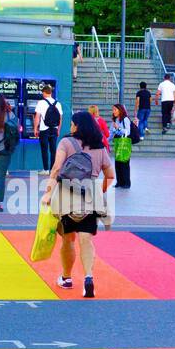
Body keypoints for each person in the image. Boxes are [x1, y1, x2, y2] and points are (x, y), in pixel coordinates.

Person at [44, 111, 115, 298]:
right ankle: (88, 278)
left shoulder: (66, 143)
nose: (70, 127)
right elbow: (110, 175)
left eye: (72, 124)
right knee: (86, 239)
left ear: (76, 126)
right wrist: (102, 191)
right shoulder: (100, 147)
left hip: (67, 196)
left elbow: (57, 167)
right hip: (90, 197)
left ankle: (66, 278)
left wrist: (48, 193)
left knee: (68, 239)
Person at [33, 84, 62, 173]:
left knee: (44, 149)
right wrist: (58, 130)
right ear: (51, 93)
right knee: (53, 150)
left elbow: (37, 117)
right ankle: (52, 170)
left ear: (44, 93)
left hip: (44, 129)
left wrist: (35, 129)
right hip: (54, 129)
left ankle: (45, 169)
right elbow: (60, 118)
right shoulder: (58, 103)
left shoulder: (41, 103)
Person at [110, 103, 133, 189]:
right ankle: (119, 182)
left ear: (120, 110)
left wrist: (118, 128)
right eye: (113, 110)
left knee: (124, 163)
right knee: (118, 163)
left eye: (115, 110)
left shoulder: (125, 119)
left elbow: (128, 131)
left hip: (124, 142)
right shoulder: (115, 120)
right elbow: (111, 133)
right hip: (118, 142)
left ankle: (126, 183)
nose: (113, 111)